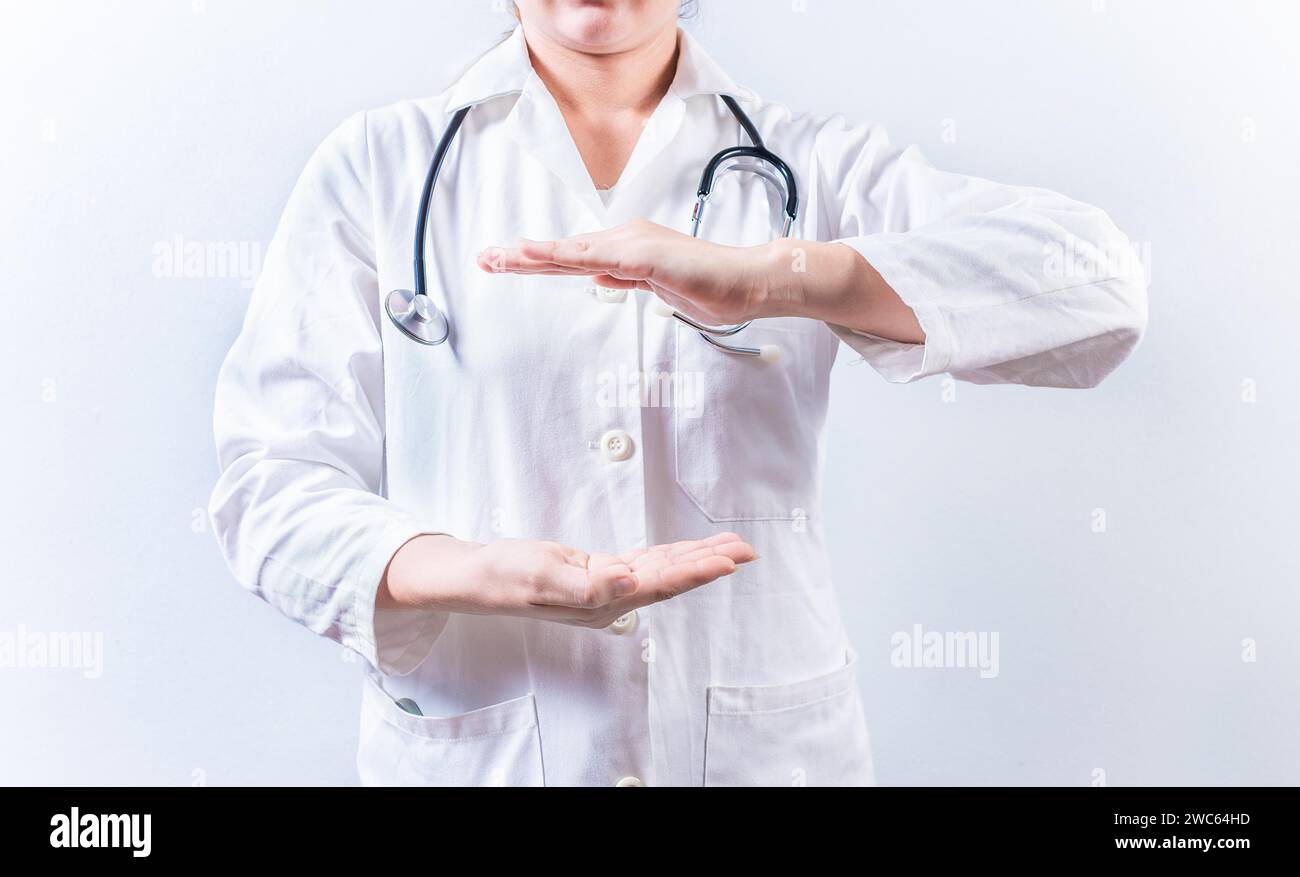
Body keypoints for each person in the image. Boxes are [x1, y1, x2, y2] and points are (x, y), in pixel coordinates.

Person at [209, 0, 1147, 786]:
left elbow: (1098, 280)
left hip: (763, 749)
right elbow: (267, 488)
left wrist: (771, 274)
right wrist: (471, 569)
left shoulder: (804, 160)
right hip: (484, 745)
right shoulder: (380, 167)